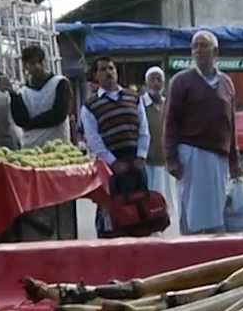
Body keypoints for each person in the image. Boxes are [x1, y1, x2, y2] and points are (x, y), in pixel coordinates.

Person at [165, 30, 241, 235]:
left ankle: (216, 252)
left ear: (215, 51)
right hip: (192, 156)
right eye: (195, 46)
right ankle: (192, 251)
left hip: (219, 158)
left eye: (203, 45)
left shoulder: (226, 83)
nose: (198, 50)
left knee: (217, 213)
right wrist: (171, 159)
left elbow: (230, 124)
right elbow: (171, 122)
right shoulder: (181, 81)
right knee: (192, 213)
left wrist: (235, 161)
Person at [80, 56, 150, 237]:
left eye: (111, 68)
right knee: (112, 216)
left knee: (141, 213)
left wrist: (141, 156)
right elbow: (93, 140)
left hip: (136, 163)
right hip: (109, 168)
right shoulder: (89, 106)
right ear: (96, 75)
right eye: (102, 69)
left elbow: (143, 130)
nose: (108, 72)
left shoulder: (134, 98)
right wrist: (113, 162)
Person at [10, 45, 73, 148]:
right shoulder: (23, 92)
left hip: (58, 147)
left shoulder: (60, 83)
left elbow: (59, 114)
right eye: (32, 63)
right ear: (25, 66)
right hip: (31, 147)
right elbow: (21, 121)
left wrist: (30, 124)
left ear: (45, 62)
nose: (37, 66)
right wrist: (12, 95)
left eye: (40, 62)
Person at [141, 66, 177, 225]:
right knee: (148, 198)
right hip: (147, 160)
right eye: (152, 79)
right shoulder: (140, 103)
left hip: (164, 161)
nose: (156, 83)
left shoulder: (167, 103)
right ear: (146, 82)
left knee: (164, 198)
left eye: (159, 79)